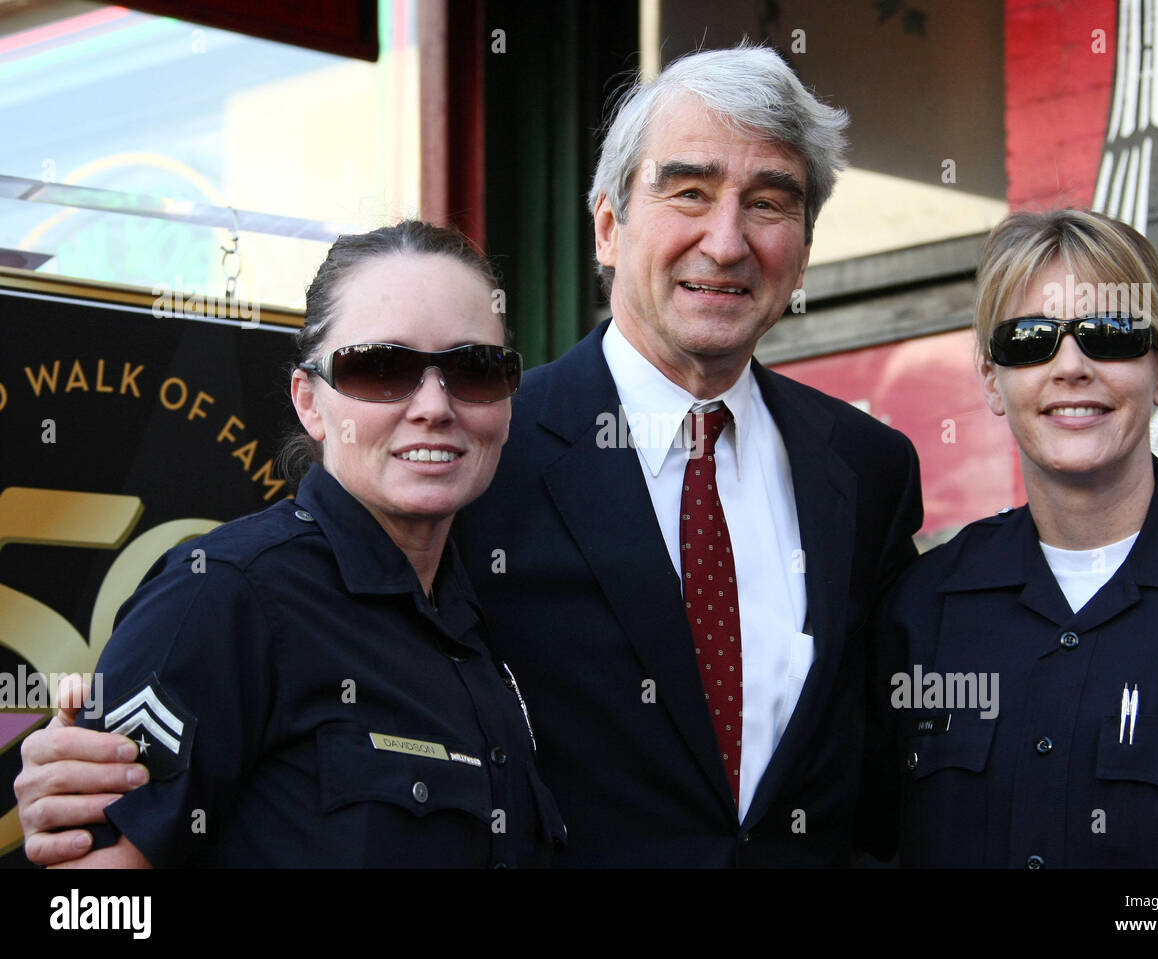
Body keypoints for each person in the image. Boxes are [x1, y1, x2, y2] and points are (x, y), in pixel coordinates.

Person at [16, 45, 922, 868]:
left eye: (769, 203)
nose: (726, 240)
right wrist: (97, 764)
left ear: (802, 250)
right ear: (608, 227)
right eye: (687, 191)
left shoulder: (866, 471)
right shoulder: (471, 458)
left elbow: (889, 769)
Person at [14, 220, 565, 867]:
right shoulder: (224, 595)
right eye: (382, 366)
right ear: (309, 401)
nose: (433, 405)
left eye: (473, 368)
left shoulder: (483, 621)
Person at [885, 208, 1158, 868]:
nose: (1071, 365)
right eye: (1029, 339)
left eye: (1110, 333)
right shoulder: (923, 610)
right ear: (993, 379)